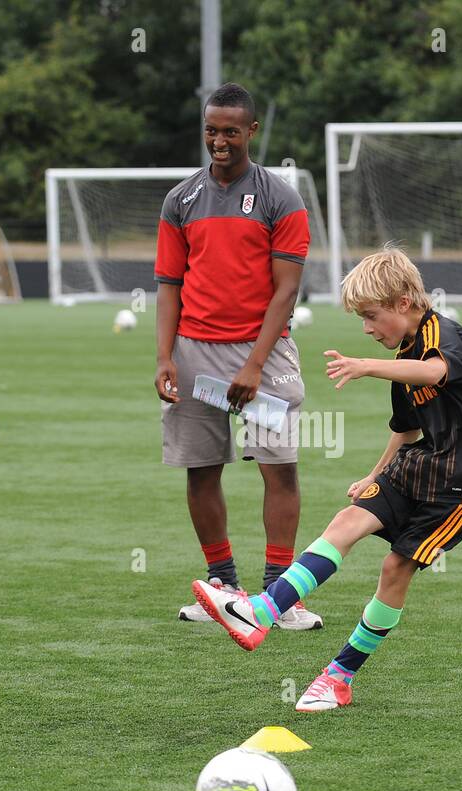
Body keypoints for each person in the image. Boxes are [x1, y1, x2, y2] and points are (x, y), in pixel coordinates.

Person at [192, 246, 462, 711]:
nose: (366, 328)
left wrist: (366, 365)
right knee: (346, 521)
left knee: (395, 568)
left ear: (404, 303)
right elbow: (407, 429)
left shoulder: (443, 335)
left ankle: (338, 676)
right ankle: (260, 612)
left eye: (371, 316)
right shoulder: (402, 354)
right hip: (420, 464)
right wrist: (373, 476)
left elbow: (435, 371)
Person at [154, 82, 322, 630]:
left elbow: (285, 290)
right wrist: (165, 357)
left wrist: (253, 364)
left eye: (230, 130)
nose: (219, 140)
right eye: (211, 129)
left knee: (279, 469)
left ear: (251, 131)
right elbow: (169, 285)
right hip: (194, 357)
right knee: (200, 471)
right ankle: (223, 586)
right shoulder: (180, 200)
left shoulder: (281, 198)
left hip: (264, 361)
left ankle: (280, 597)